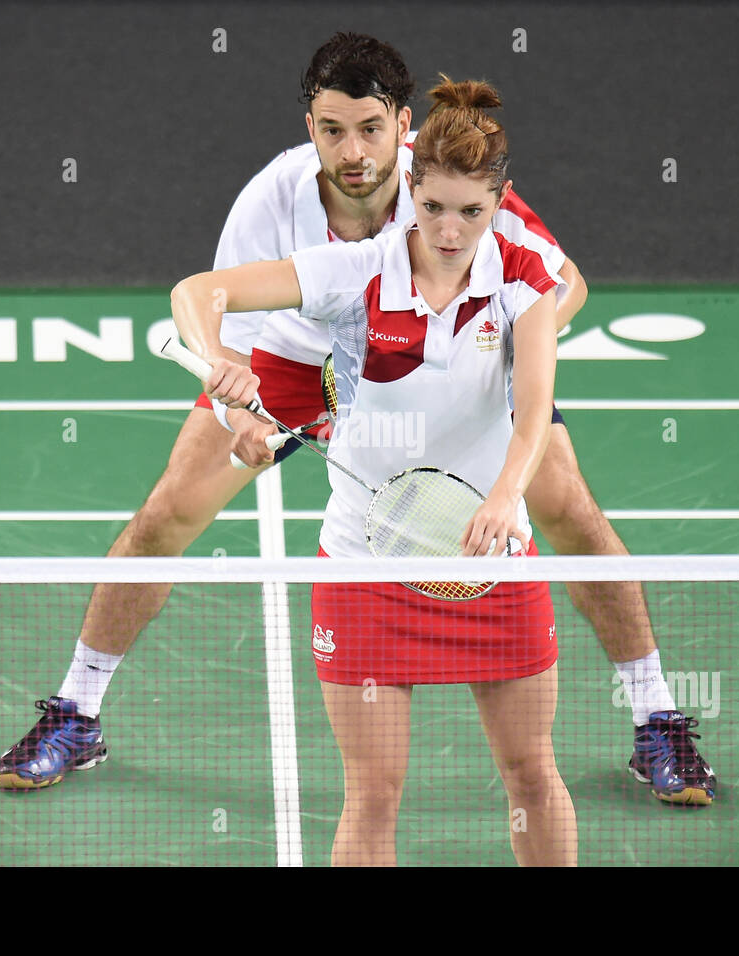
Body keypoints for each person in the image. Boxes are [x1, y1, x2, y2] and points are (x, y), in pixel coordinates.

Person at [0, 32, 714, 808]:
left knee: (568, 506)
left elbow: (563, 283)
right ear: (311, 127)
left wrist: (506, 346)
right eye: (332, 129)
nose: (353, 149)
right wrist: (228, 389)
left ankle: (656, 717)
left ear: (403, 124)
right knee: (167, 512)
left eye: (370, 128)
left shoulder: (447, 185)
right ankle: (76, 711)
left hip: (450, 356)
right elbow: (211, 309)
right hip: (297, 357)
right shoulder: (273, 199)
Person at [175, 76, 574, 865]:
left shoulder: (524, 280)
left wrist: (502, 498)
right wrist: (219, 362)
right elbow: (200, 291)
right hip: (367, 565)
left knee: (530, 772)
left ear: (500, 201)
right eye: (432, 209)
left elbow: (534, 416)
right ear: (411, 191)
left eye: (473, 212)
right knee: (375, 792)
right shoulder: (354, 269)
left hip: (490, 560)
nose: (451, 231)